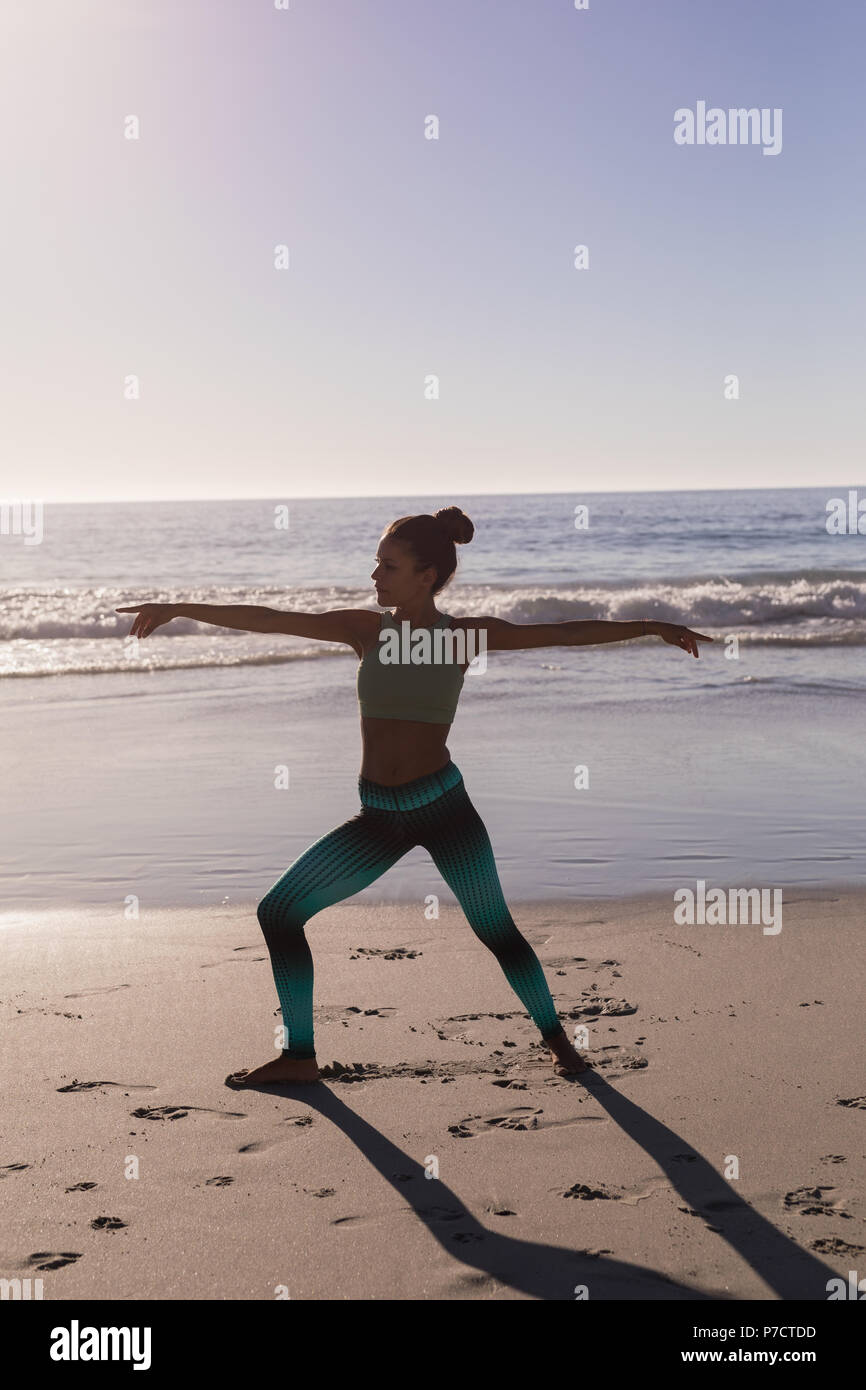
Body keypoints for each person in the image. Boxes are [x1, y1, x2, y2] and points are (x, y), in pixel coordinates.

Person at [117, 506, 712, 1084]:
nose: (374, 576)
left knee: (495, 930)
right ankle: (299, 1055)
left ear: (427, 576)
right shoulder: (364, 629)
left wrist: (653, 626)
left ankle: (560, 1043)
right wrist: (177, 607)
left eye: (388, 566)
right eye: (376, 564)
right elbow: (271, 617)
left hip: (444, 808)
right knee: (279, 913)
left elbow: (561, 633)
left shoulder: (462, 637)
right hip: (377, 817)